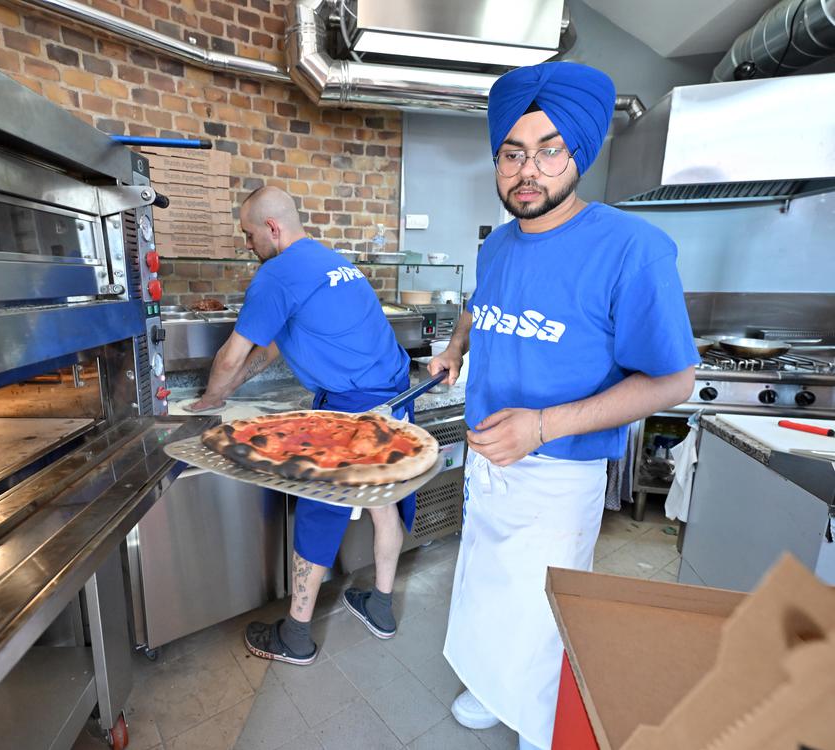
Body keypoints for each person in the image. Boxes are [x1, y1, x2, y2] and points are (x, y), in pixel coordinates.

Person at [427, 61, 698, 750]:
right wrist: (456, 348)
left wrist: (543, 426)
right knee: (486, 585)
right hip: (488, 460)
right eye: (512, 153)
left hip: (559, 469)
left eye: (549, 151)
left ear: (579, 152)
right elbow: (480, 305)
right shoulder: (499, 245)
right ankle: (493, 687)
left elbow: (673, 382)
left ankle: (540, 725)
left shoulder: (632, 249)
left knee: (543, 610)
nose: (528, 171)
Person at [186, 186, 417, 665]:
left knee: (319, 514)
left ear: (272, 228)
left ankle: (295, 636)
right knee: (385, 503)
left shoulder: (277, 274)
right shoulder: (331, 260)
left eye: (248, 234)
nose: (247, 244)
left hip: (353, 410)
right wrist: (232, 387)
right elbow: (272, 346)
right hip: (395, 396)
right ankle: (381, 606)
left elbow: (231, 355)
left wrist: (209, 401)